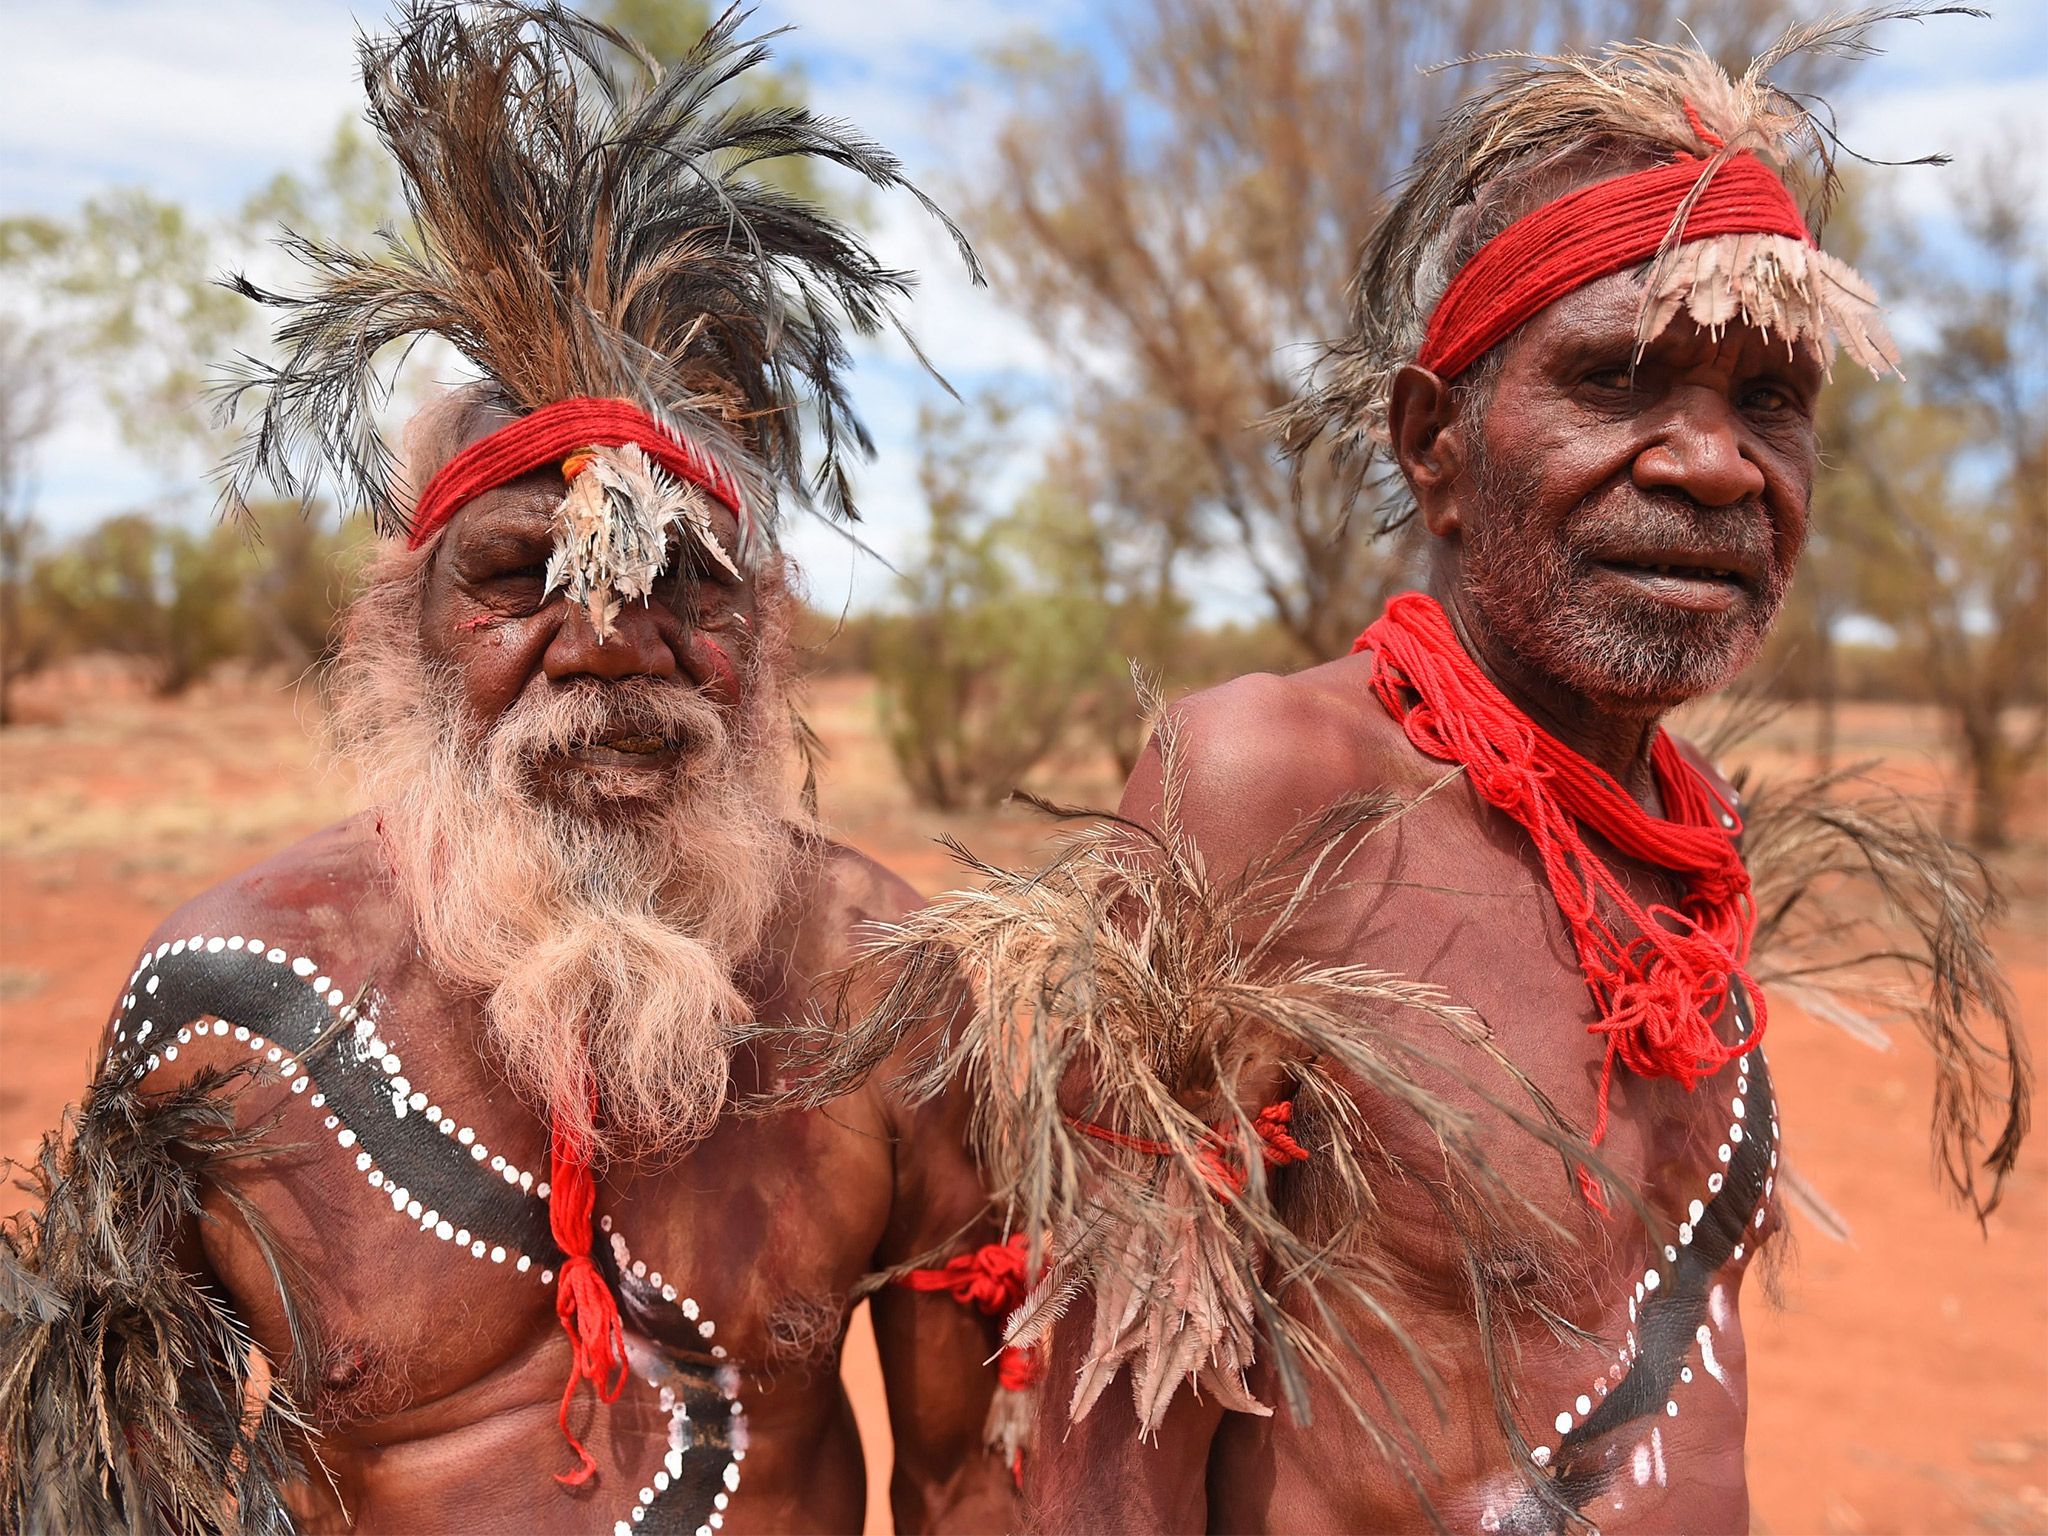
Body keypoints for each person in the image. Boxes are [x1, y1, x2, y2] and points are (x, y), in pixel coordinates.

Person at [831, 20, 2031, 1534]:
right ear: (1434, 448)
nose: (1716, 465)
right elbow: (1108, 1441)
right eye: (1619, 380)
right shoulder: (1274, 789)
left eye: (1771, 402)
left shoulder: (1685, 842)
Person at [0, 7, 1020, 1533]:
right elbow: (117, 1489)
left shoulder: (890, 998)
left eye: (688, 587)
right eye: (518, 576)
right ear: (399, 634)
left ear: (771, 633)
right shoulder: (224, 1002)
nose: (609, 646)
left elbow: (964, 1489)